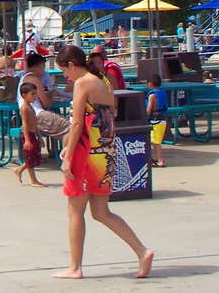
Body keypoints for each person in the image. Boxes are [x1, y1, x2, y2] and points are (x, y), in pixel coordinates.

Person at [53, 45, 152, 279]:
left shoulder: (82, 82)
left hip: (86, 154)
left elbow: (77, 123)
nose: (66, 77)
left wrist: (68, 154)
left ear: (72, 65)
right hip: (105, 152)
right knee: (101, 211)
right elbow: (98, 119)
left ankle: (75, 267)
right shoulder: (104, 81)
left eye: (65, 71)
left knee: (75, 211)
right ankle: (142, 250)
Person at [14, 82, 46, 187]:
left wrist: (40, 137)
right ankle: (33, 180)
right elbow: (25, 124)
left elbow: (34, 124)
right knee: (30, 157)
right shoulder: (24, 108)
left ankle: (19, 170)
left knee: (34, 156)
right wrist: (27, 140)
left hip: (33, 134)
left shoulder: (31, 107)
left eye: (36, 94)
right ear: (24, 95)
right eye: (32, 94)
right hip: (27, 135)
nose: (35, 97)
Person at [146, 74, 167, 168]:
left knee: (156, 142)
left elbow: (148, 110)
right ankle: (157, 158)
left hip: (156, 121)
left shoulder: (152, 95)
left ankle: (160, 160)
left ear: (150, 84)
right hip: (163, 119)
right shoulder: (162, 92)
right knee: (155, 141)